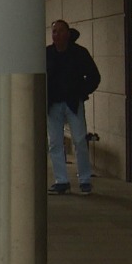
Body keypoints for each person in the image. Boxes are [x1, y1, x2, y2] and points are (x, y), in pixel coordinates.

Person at [47, 19, 101, 194]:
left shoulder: (79, 53)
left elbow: (94, 76)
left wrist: (80, 92)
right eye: (54, 31)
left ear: (68, 33)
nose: (57, 35)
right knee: (55, 142)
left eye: (60, 31)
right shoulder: (47, 54)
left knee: (79, 140)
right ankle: (61, 180)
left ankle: (84, 179)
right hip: (53, 104)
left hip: (73, 103)